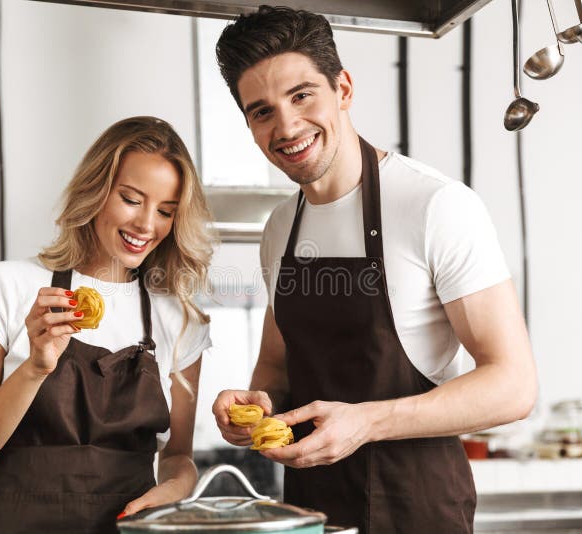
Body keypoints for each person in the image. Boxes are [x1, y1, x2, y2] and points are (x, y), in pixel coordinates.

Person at [210, 6, 537, 533]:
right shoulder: (279, 227)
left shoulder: (435, 205)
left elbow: (513, 385)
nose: (287, 126)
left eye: (301, 95)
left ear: (343, 88)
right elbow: (276, 367)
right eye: (262, 111)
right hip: (311, 513)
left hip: (417, 510)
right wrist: (256, 407)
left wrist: (365, 422)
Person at [0, 116, 215, 533]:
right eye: (130, 198)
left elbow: (178, 457)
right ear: (95, 191)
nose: (147, 225)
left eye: (166, 210)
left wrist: (174, 490)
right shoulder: (5, 287)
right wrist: (34, 368)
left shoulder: (178, 320)